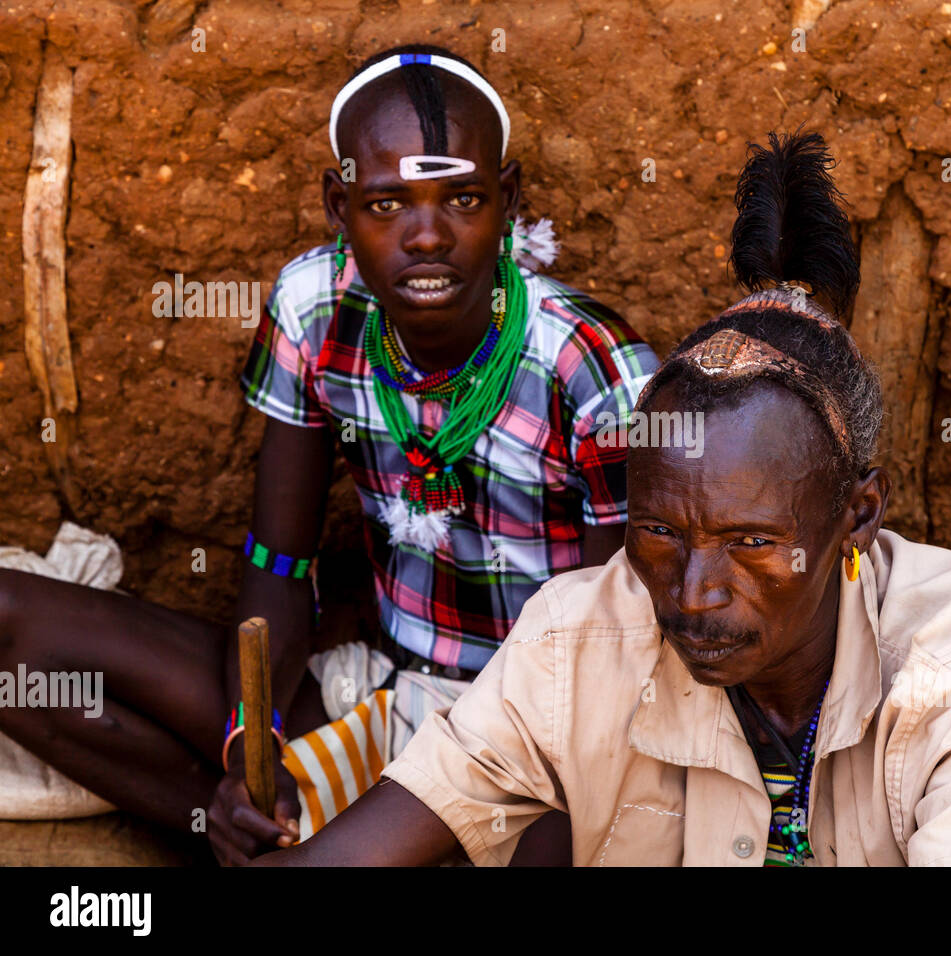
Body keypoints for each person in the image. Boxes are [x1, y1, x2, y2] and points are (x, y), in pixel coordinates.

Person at [256, 130, 951, 867]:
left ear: (858, 515)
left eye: (752, 542)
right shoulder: (580, 640)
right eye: (658, 532)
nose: (691, 593)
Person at [0, 42, 658, 865]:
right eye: (386, 206)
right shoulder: (314, 309)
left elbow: (613, 663)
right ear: (337, 206)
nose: (426, 236)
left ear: (509, 198)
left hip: (536, 743)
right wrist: (251, 742)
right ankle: (256, 831)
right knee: (10, 632)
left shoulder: (591, 368)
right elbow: (279, 562)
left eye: (462, 198)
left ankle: (358, 845)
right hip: (380, 691)